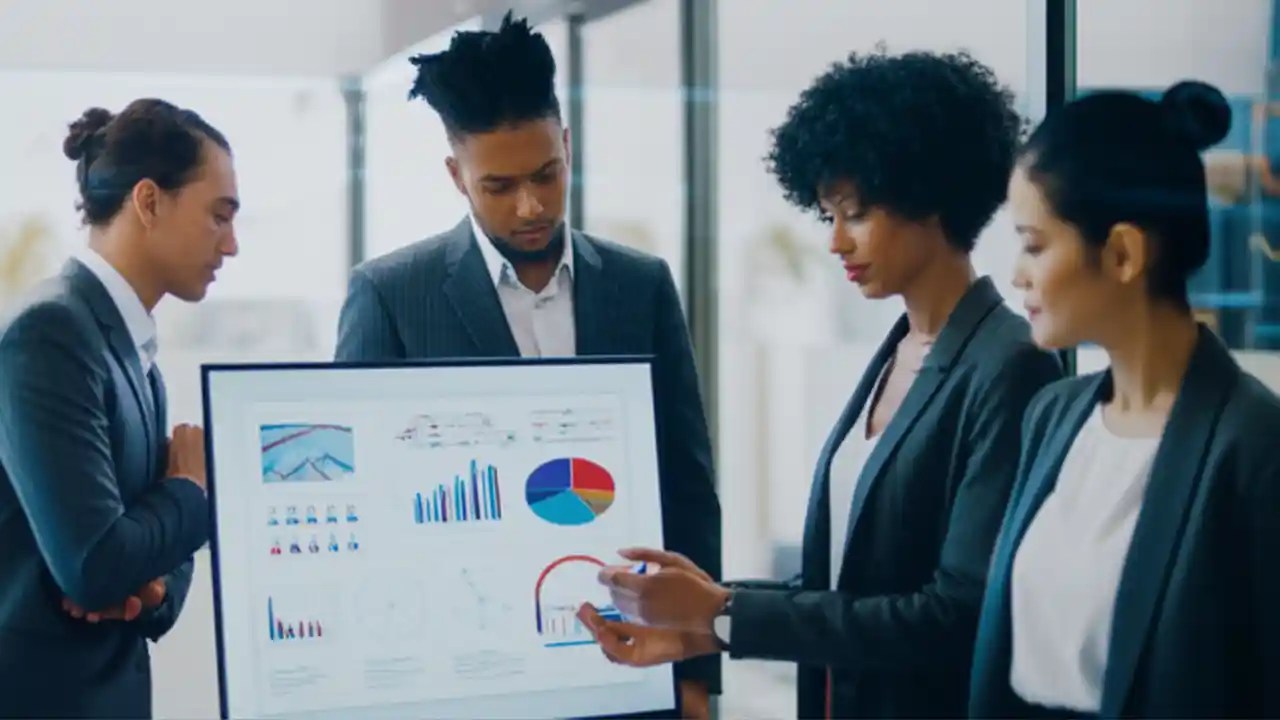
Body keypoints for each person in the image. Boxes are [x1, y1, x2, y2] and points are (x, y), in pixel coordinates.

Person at [578, 49, 1062, 718]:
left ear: (929, 198)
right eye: (828, 215)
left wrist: (726, 611)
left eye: (855, 213)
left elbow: (958, 615)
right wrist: (699, 618)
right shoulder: (896, 354)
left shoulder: (1009, 366)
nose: (836, 242)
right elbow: (845, 583)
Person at [333, 13, 722, 715]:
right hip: (462, 674)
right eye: (499, 186)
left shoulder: (642, 285)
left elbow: (688, 486)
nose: (531, 205)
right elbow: (367, 509)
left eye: (547, 174)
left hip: (630, 663)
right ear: (457, 175)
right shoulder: (390, 295)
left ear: (568, 146)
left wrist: (694, 675)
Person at [968, 81, 1280, 718]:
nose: (1018, 274)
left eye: (1033, 244)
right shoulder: (1053, 416)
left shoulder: (1252, 446)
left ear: (1121, 253)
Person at [0, 99, 239, 718]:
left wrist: (151, 589)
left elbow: (148, 557)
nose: (232, 244)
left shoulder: (136, 356)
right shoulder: (50, 333)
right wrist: (192, 488)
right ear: (149, 201)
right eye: (219, 216)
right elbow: (95, 565)